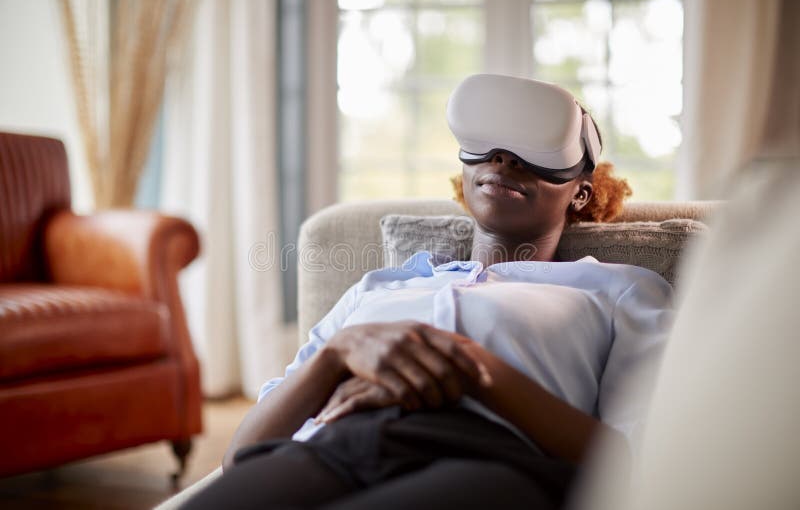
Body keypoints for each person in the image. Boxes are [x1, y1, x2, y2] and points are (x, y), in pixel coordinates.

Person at [182, 75, 672, 510]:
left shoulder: (620, 289)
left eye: (531, 154)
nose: (503, 159)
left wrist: (472, 368)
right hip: (335, 446)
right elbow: (240, 455)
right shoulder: (378, 287)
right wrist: (337, 353)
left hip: (491, 460)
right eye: (490, 148)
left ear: (580, 192)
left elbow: (632, 466)